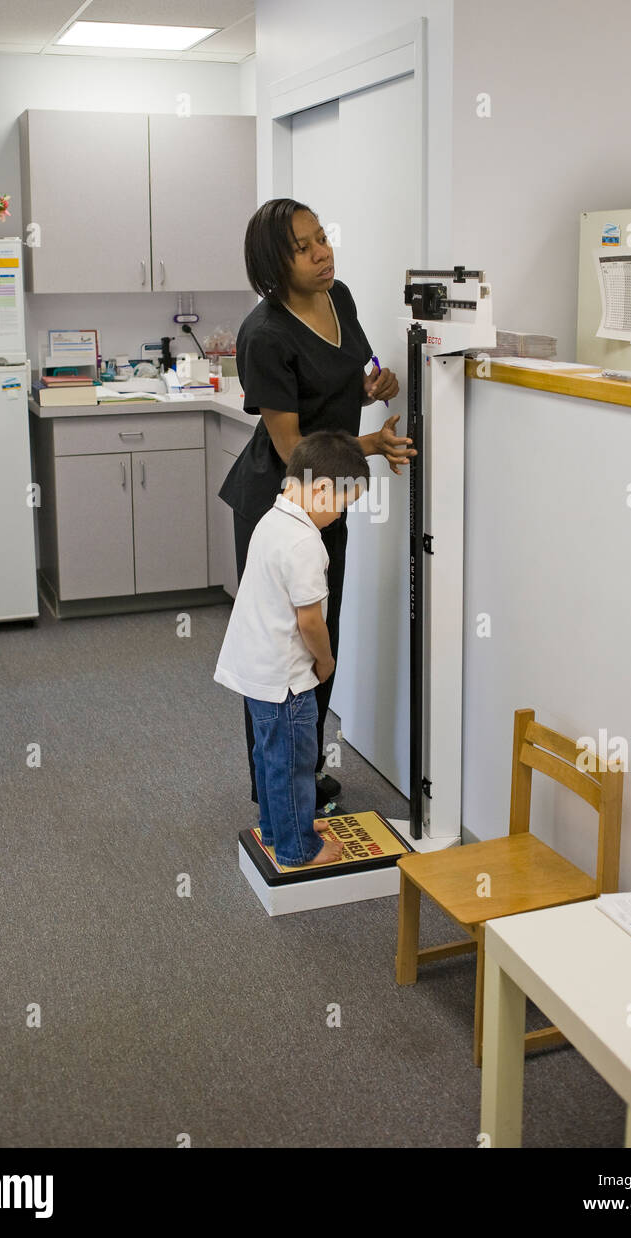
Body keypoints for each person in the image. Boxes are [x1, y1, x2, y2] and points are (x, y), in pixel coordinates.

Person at [219, 198, 416, 810]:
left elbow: (353, 371)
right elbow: (291, 446)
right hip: (279, 502)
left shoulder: (341, 297)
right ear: (273, 266)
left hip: (332, 494)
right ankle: (276, 785)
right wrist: (373, 445)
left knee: (320, 636)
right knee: (283, 650)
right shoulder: (264, 334)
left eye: (322, 238)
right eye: (303, 248)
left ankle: (302, 770)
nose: (321, 253)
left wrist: (376, 384)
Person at [214, 432, 370, 868]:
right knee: (295, 764)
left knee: (269, 758)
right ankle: (297, 847)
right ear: (321, 489)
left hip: (257, 670)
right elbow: (310, 620)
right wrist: (326, 660)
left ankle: (280, 825)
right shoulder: (305, 543)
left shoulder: (271, 520)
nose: (338, 516)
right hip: (286, 680)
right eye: (341, 504)